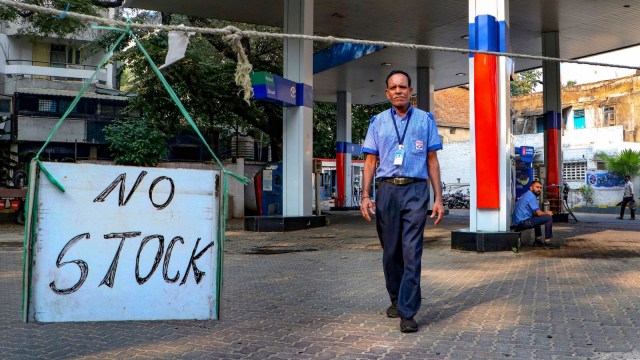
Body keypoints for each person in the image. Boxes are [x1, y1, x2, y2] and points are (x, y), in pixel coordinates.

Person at [360, 70, 444, 333]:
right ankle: (396, 300)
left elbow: (432, 161)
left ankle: (408, 312)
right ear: (387, 93)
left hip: (416, 191)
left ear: (410, 91)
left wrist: (438, 197)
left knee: (411, 252)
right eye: (393, 87)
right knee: (390, 253)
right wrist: (365, 196)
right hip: (386, 192)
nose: (398, 91)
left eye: (403, 87)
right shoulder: (377, 122)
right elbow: (370, 162)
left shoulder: (425, 121)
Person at [512, 181, 554, 248]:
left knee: (536, 217)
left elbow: (536, 213)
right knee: (548, 217)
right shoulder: (531, 196)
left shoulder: (527, 194)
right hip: (523, 222)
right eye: (537, 187)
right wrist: (547, 213)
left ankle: (538, 241)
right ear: (531, 188)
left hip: (518, 222)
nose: (539, 189)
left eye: (540, 188)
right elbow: (539, 213)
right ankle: (547, 242)